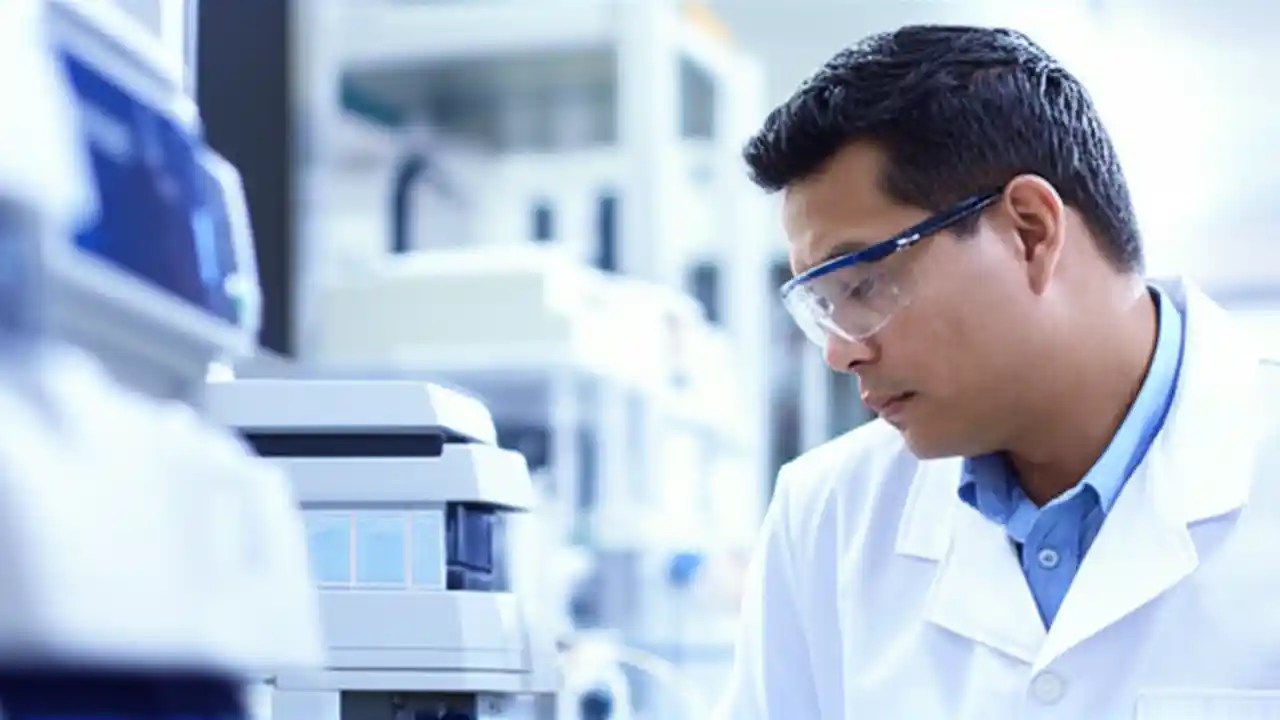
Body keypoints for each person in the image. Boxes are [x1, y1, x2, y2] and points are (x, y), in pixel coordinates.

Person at [716, 24, 1280, 719]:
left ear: (1031, 231)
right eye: (821, 308)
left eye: (861, 286)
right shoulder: (827, 517)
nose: (840, 352)